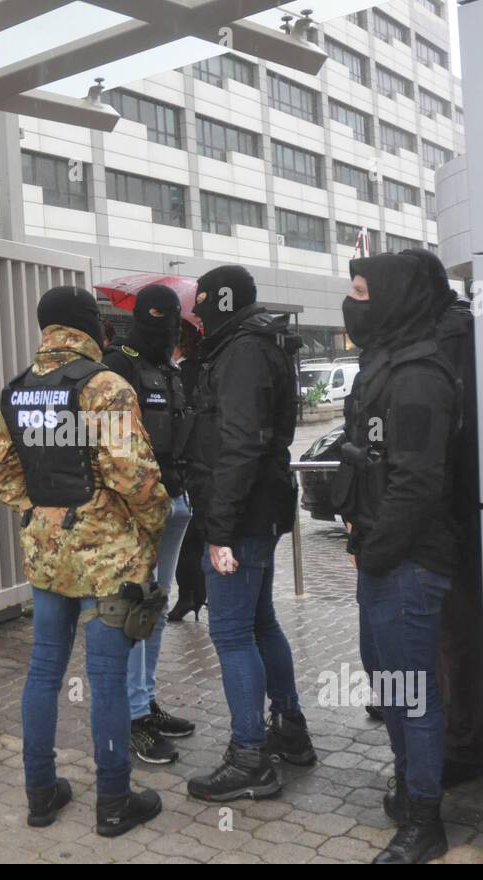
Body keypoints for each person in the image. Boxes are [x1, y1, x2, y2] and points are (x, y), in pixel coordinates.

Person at [0, 286, 171, 837]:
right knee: (107, 679)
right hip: (108, 563)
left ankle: (40, 792)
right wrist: (153, 521)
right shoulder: (104, 386)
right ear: (90, 327)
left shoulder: (16, 391)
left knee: (45, 669)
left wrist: (46, 517)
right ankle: (114, 802)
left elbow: (4, 477)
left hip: (48, 561)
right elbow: (134, 476)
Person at [335, 253, 460, 864]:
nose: (352, 302)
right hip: (383, 555)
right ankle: (411, 787)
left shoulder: (418, 375)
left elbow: (418, 483)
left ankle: (424, 821)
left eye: (361, 291)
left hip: (409, 561)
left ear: (394, 299)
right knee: (390, 685)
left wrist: (375, 550)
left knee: (412, 694)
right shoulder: (383, 363)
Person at [182, 265, 315, 803]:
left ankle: (250, 757)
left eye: (201, 304)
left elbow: (238, 445)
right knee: (261, 622)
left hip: (240, 516)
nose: (194, 314)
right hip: (261, 509)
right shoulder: (260, 343)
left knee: (233, 633)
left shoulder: (240, 351)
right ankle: (290, 731)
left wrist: (219, 530)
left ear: (219, 301)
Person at [399, 248, 483, 789]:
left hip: (451, 516)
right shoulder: (453, 330)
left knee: (455, 634)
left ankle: (463, 742)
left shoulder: (446, 339)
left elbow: (442, 444)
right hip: (459, 511)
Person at [102, 285, 196, 765]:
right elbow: (113, 452)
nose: (171, 327)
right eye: (163, 318)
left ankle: (145, 701)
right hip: (136, 513)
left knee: (156, 607)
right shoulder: (118, 365)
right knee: (133, 610)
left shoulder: (167, 366)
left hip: (175, 504)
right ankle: (132, 717)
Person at [168, 320, 207, 622]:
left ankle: (188, 596)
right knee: (199, 534)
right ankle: (199, 594)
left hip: (185, 464)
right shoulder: (206, 370)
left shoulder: (178, 375)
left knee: (186, 537)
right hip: (205, 462)